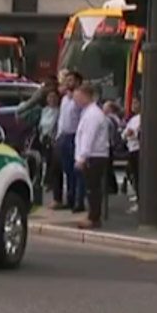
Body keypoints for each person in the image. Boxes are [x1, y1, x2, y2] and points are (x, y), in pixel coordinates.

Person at [74, 83, 110, 229]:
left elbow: (88, 137)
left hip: (95, 155)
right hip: (93, 155)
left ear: (86, 96)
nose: (76, 100)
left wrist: (82, 157)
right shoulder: (88, 113)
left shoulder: (93, 115)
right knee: (91, 187)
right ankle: (92, 214)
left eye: (78, 97)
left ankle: (94, 217)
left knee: (93, 188)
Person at [54, 71, 85, 212]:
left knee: (77, 171)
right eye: (67, 80)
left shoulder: (79, 100)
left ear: (78, 82)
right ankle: (70, 198)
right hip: (64, 136)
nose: (68, 83)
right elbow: (62, 118)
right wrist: (58, 136)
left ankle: (79, 201)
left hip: (75, 136)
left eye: (71, 80)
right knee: (67, 170)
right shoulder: (65, 99)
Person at [123, 97, 142, 212]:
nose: (133, 106)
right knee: (133, 174)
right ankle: (138, 196)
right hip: (131, 148)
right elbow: (124, 133)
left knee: (138, 175)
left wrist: (132, 133)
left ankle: (141, 200)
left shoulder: (143, 118)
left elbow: (135, 132)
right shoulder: (133, 119)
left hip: (138, 149)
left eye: (136, 103)